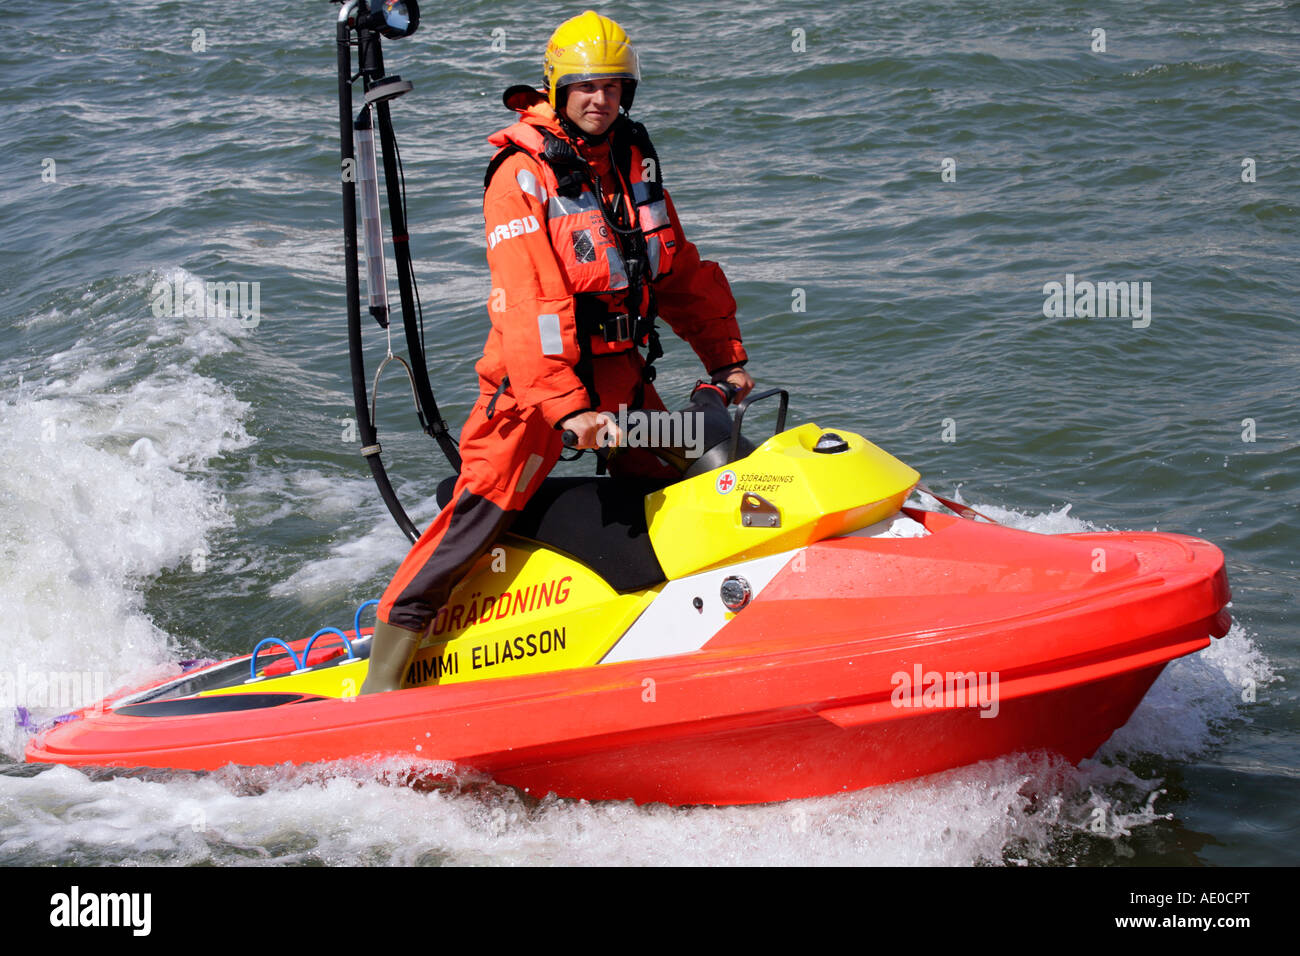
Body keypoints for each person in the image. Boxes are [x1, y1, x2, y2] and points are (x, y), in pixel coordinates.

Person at [362, 9, 753, 693]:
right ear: (557, 88)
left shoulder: (633, 159)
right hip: (531, 396)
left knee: (690, 466)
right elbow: (531, 301)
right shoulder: (521, 176)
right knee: (476, 519)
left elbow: (678, 269)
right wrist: (568, 410)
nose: (600, 99)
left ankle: (682, 628)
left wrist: (725, 359)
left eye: (613, 86)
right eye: (585, 86)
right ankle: (381, 683)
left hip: (623, 386)